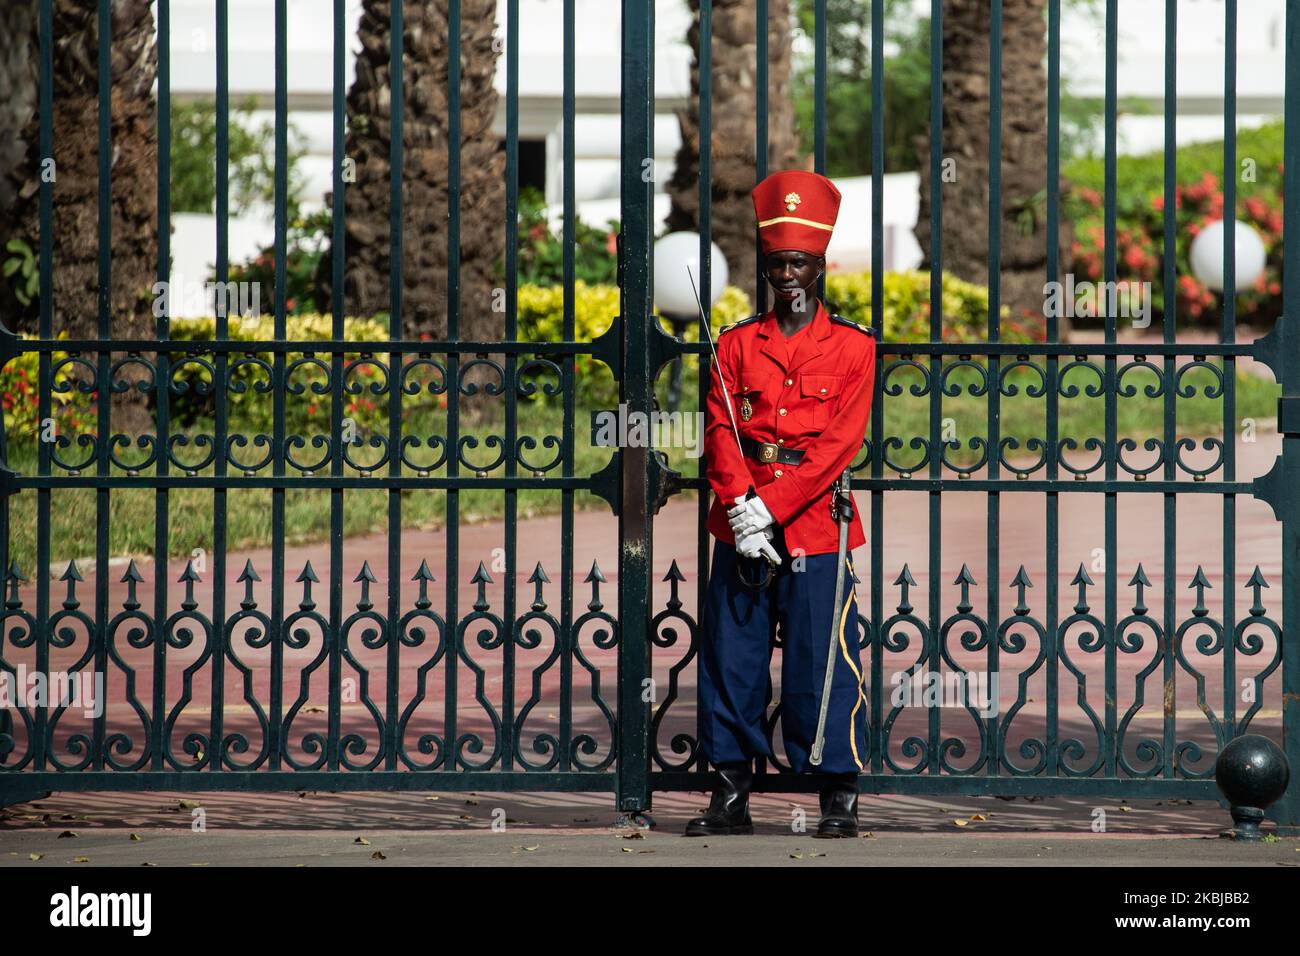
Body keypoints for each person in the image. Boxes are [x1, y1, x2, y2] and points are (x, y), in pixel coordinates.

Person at [687, 168, 877, 838]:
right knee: (733, 658)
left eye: (798, 263)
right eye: (776, 265)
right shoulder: (735, 345)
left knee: (818, 660)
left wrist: (769, 508)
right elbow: (718, 427)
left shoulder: (855, 348)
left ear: (820, 265)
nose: (787, 275)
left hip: (816, 529)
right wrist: (739, 504)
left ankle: (835, 791)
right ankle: (730, 791)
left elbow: (836, 446)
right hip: (739, 528)